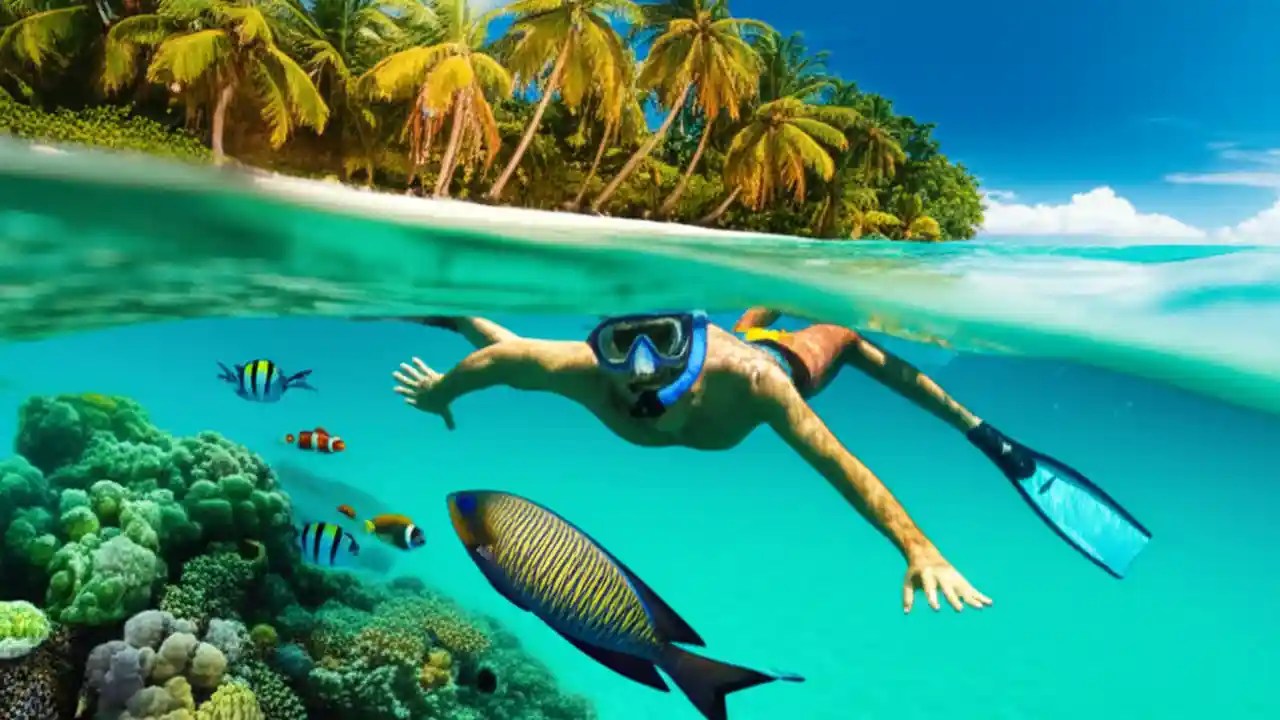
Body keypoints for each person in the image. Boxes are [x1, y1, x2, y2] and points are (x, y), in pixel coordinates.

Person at [391, 309, 1150, 613]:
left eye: (662, 388)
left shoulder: (754, 387)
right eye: (626, 375)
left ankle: (975, 428)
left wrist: (917, 546)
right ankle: (754, 309)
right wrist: (441, 393)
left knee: (840, 340)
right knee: (508, 349)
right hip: (716, 348)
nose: (639, 396)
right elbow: (501, 357)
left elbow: (840, 463)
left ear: (694, 380)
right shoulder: (581, 369)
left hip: (773, 361)